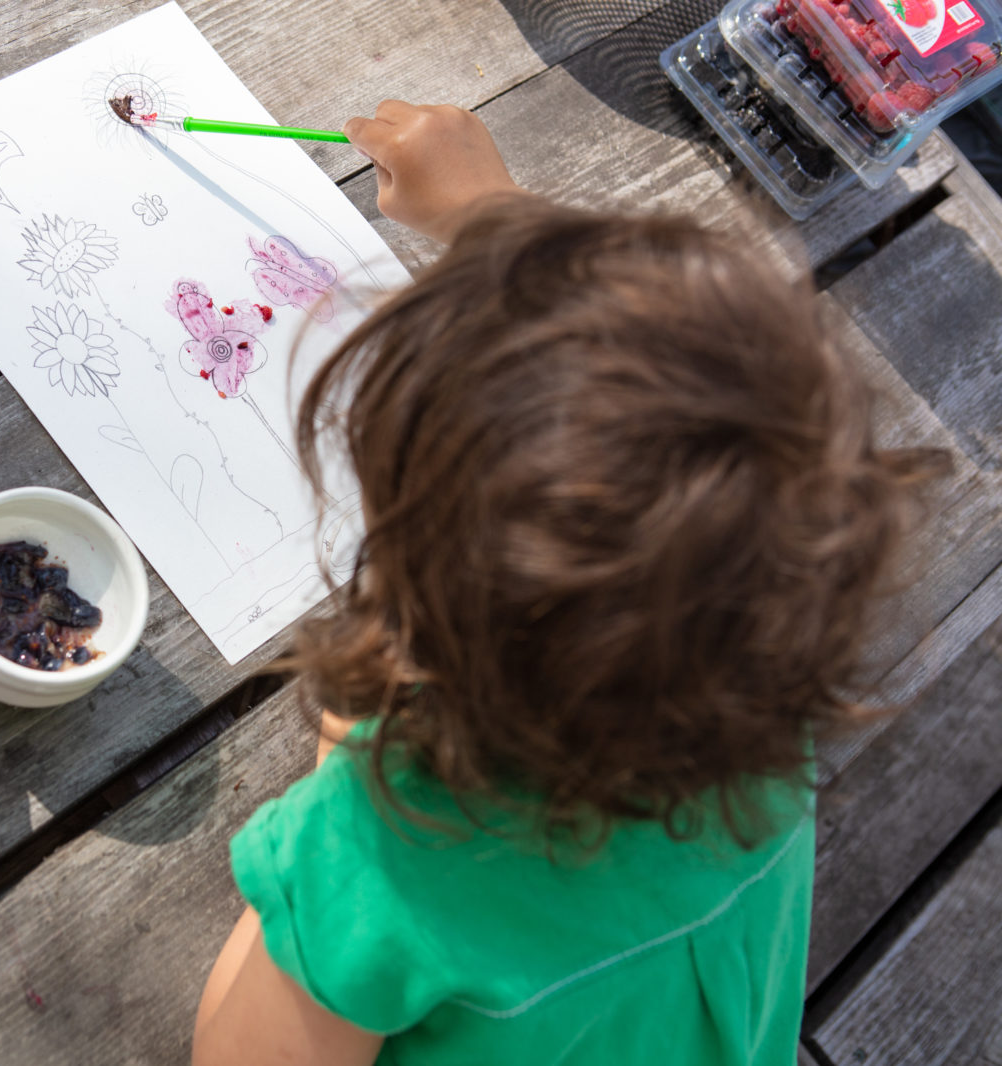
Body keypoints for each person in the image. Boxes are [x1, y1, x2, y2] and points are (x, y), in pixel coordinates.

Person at [190, 101, 945, 1066]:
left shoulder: (389, 845)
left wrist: (338, 800)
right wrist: (488, 211)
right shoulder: (747, 680)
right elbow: (658, 410)